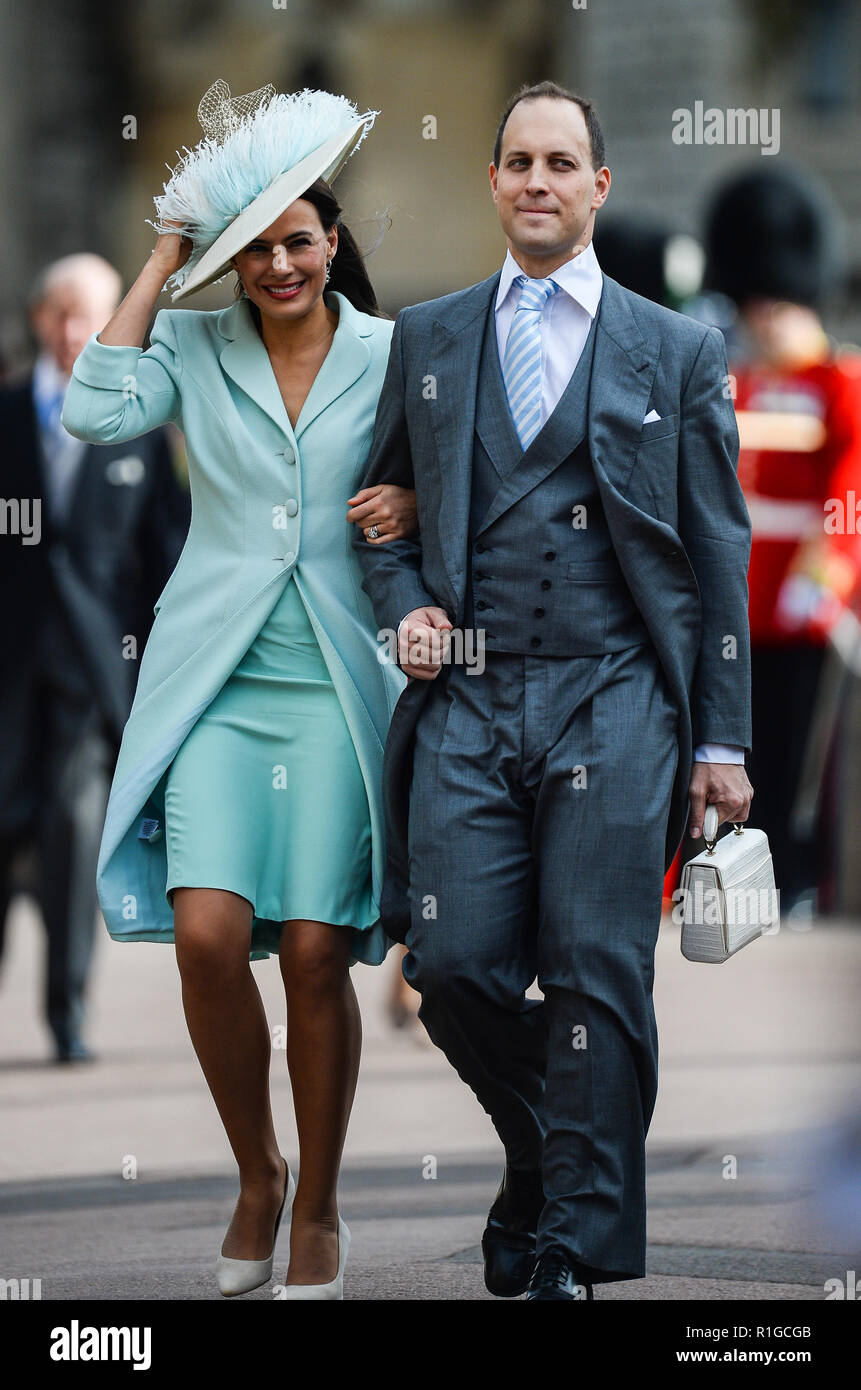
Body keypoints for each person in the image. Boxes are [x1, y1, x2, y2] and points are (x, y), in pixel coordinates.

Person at [354, 80, 754, 1299]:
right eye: (517, 161)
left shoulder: (677, 349)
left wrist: (723, 738)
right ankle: (545, 1156)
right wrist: (404, 603)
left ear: (598, 185)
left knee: (594, 967)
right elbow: (378, 524)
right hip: (470, 698)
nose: (538, 180)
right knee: (456, 967)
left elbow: (717, 548)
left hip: (620, 693)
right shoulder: (428, 337)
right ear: (493, 182)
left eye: (561, 162)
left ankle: (572, 1246)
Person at [61, 81, 416, 1299]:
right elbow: (91, 407)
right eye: (255, 246)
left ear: (333, 242)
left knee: (317, 951)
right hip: (216, 679)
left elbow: (448, 474)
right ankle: (255, 1169)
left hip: (332, 678)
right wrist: (167, 253)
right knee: (208, 938)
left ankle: (316, 1201)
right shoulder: (192, 344)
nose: (279, 265)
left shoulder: (393, 350)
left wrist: (413, 503)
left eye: (298, 240)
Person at [0, 253, 189, 1063]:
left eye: (95, 315)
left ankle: (67, 1010)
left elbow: (167, 553)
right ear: (41, 319)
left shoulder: (144, 426)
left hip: (92, 669)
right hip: (5, 666)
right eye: (64, 314)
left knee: (75, 833)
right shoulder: (4, 414)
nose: (77, 332)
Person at [704, 164, 861, 915]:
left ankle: (799, 883)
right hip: (736, 597)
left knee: (804, 757)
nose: (761, 318)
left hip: (801, 604)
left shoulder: (840, 382)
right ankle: (741, 884)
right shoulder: (734, 380)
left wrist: (826, 574)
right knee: (741, 751)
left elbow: (850, 485)